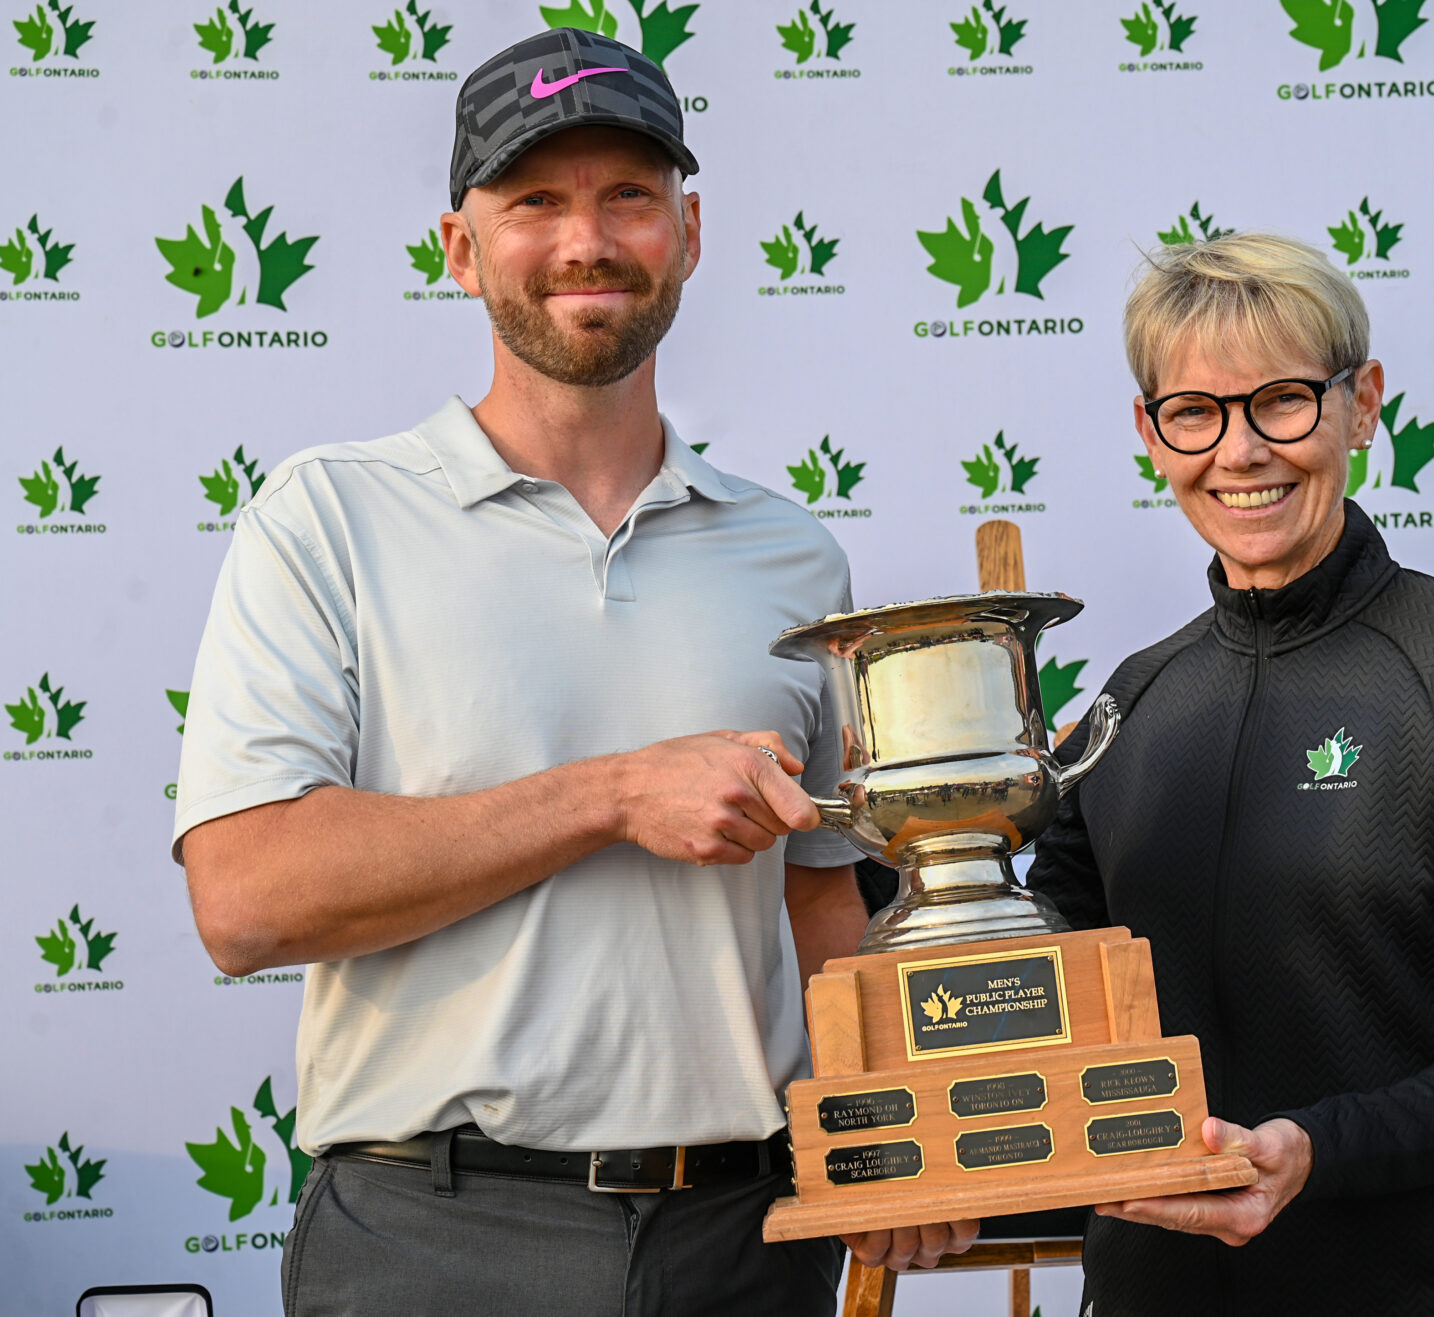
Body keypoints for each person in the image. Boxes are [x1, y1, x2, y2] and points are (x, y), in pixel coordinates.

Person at [172, 29, 972, 1316]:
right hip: (436, 1242)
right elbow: (246, 900)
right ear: (460, 248)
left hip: (746, 1238)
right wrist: (610, 795)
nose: (586, 241)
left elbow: (820, 900)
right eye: (535, 201)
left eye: (628, 196)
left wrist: (886, 1129)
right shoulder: (326, 519)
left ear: (690, 234)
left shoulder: (794, 555)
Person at [1025, 232, 1434, 1314]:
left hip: (1427, 1289)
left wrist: (1315, 1149)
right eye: (1195, 412)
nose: (1240, 452)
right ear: (1151, 435)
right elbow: (1048, 1008)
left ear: (1361, 404)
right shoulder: (1127, 703)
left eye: (1283, 401)